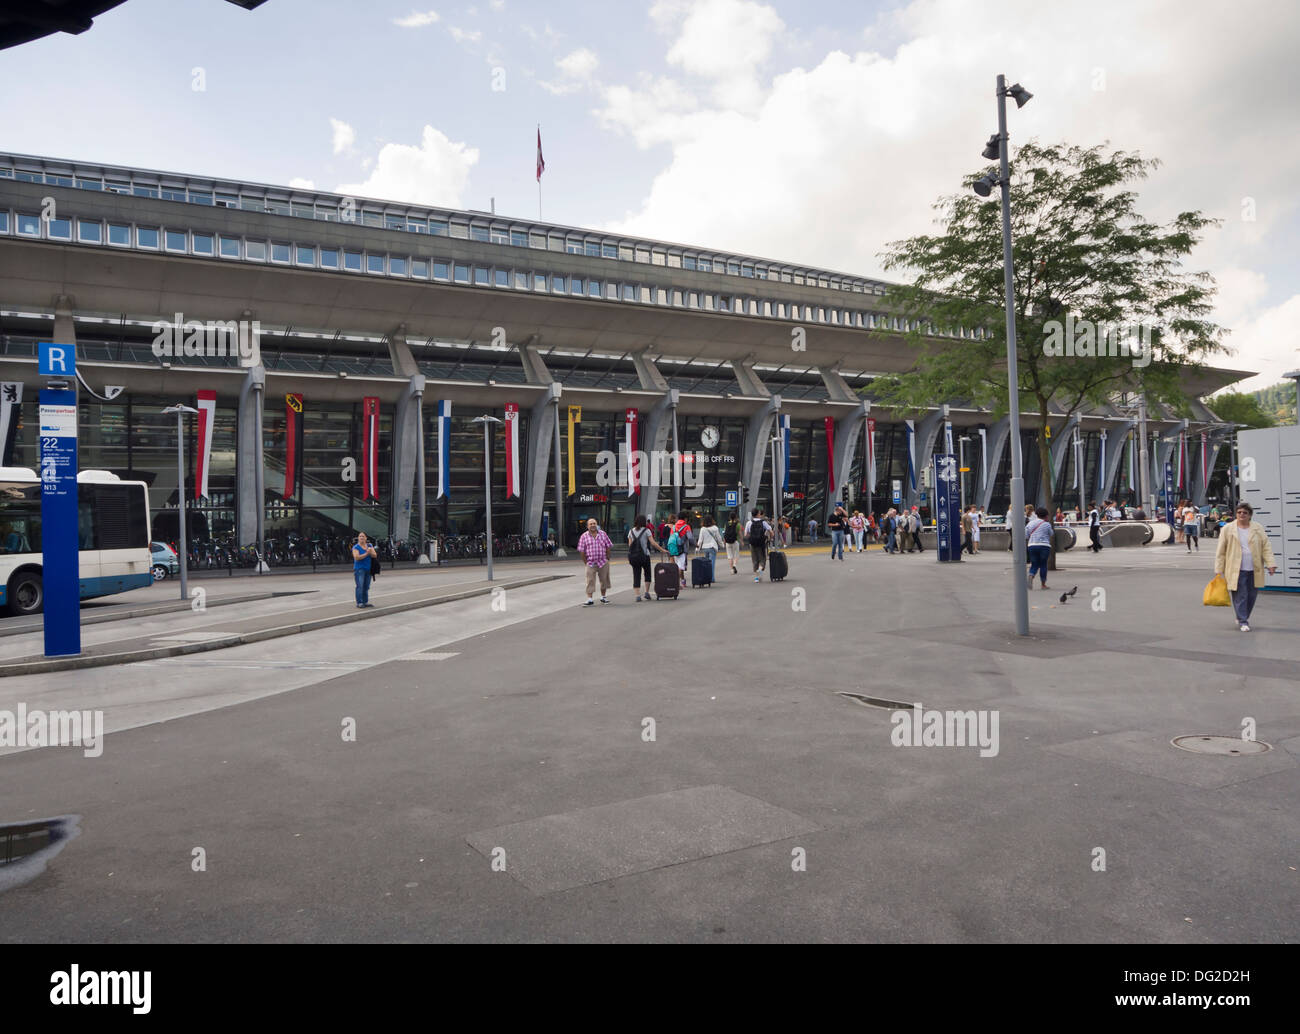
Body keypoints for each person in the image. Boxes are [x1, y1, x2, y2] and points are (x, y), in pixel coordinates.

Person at [1214, 502, 1277, 632]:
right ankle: (1243, 621)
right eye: (1239, 512)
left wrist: (1270, 564)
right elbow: (1221, 550)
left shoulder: (1257, 528)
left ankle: (1242, 616)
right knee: (1241, 595)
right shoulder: (1228, 528)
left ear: (1250, 515)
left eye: (1245, 513)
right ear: (1236, 514)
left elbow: (1266, 547)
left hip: (1254, 568)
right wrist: (1219, 570)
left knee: (1251, 596)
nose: (1242, 514)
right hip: (1236, 569)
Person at [627, 514, 667, 601]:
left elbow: (630, 545)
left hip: (634, 557)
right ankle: (646, 592)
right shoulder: (646, 530)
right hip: (645, 556)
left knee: (636, 575)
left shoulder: (631, 531)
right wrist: (662, 549)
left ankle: (637, 595)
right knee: (647, 573)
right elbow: (653, 543)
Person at [578, 517, 614, 606]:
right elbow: (581, 551)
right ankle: (590, 599)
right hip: (590, 562)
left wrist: (607, 558)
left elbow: (608, 546)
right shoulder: (584, 536)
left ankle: (603, 597)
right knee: (590, 581)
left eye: (594, 523)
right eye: (591, 524)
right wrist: (586, 562)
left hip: (603, 561)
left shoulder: (603, 534)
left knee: (604, 580)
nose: (593, 525)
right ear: (587, 526)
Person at [1026, 506, 1054, 591]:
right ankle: (1043, 584)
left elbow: (1026, 534)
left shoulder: (1030, 523)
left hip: (1032, 545)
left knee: (1034, 563)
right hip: (1044, 546)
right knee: (1043, 565)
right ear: (1046, 516)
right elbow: (1051, 534)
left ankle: (1031, 575)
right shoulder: (1047, 524)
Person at [351, 532, 377, 608]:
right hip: (359, 569)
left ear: (366, 538)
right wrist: (367, 553)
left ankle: (365, 602)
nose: (361, 537)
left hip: (368, 569)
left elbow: (375, 555)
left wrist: (370, 552)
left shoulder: (369, 545)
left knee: (366, 586)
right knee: (360, 586)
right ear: (358, 538)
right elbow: (357, 557)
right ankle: (359, 602)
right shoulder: (356, 547)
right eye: (360, 536)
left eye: (363, 536)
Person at [745, 508, 772, 581]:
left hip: (752, 544)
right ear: (758, 514)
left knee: (755, 560)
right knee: (762, 559)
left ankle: (756, 578)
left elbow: (746, 535)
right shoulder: (763, 522)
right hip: (761, 543)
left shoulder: (749, 523)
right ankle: (760, 569)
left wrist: (751, 537)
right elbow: (770, 531)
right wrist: (770, 538)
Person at [696, 514, 724, 580]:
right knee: (712, 564)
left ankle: (706, 577)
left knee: (706, 564)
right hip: (712, 547)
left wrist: (697, 548)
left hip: (705, 548)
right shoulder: (715, 528)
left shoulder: (702, 529)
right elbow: (719, 538)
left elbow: (700, 540)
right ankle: (712, 578)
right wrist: (722, 545)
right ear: (712, 520)